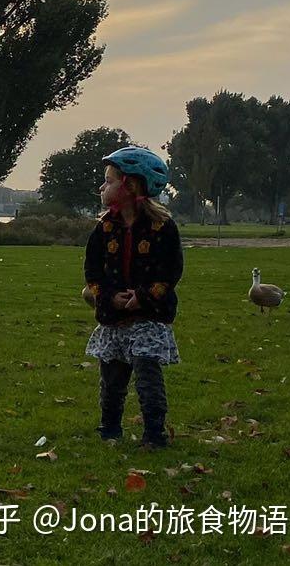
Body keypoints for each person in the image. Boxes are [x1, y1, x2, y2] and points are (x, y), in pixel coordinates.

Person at [84, 147, 183, 449]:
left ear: (130, 185)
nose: (102, 187)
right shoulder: (104, 228)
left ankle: (154, 434)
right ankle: (109, 429)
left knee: (147, 376)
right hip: (114, 320)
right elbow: (92, 271)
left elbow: (170, 271)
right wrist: (109, 298)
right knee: (112, 381)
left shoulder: (162, 228)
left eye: (109, 180)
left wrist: (143, 297)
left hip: (148, 318)